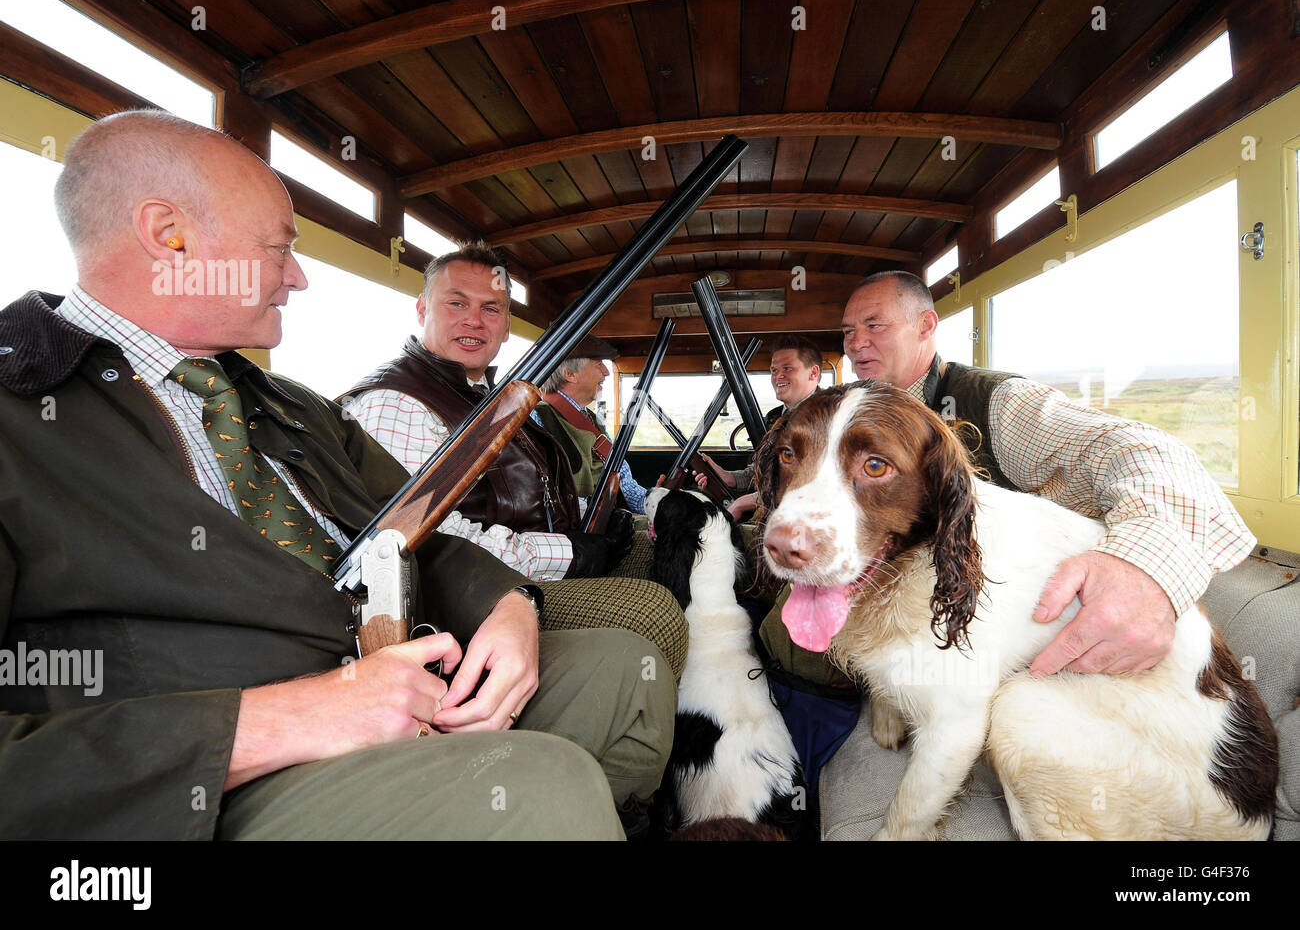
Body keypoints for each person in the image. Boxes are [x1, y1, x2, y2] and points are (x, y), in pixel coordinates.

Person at [0, 110, 674, 840]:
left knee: (625, 676)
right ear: (171, 236)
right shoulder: (19, 412)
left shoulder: (291, 405)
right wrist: (265, 725)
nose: (298, 277)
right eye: (278, 248)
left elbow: (412, 526)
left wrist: (509, 604)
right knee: (545, 788)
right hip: (205, 785)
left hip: (396, 680)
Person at [764, 268, 1254, 681]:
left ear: (926, 326)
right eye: (849, 332)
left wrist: (1148, 569)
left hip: (987, 625)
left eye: (875, 325)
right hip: (898, 614)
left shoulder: (998, 403)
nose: (857, 344)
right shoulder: (848, 407)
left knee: (793, 657)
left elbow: (1147, 450)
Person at [343, 243, 687, 678]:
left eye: (491, 309)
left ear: (506, 326)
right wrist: (570, 553)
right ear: (422, 309)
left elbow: (526, 493)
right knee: (653, 612)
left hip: (528, 567)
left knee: (660, 548)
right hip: (474, 597)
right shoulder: (396, 403)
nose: (474, 320)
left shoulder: (488, 398)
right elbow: (438, 543)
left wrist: (593, 516)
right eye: (457, 303)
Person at [694, 334, 825, 520]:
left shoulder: (828, 418)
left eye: (787, 368)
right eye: (773, 370)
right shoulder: (774, 418)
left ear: (813, 373)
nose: (778, 376)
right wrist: (728, 478)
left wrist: (746, 502)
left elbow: (814, 484)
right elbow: (762, 471)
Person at [534, 337, 648, 514]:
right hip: (572, 527)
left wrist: (658, 503)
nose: (606, 372)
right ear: (569, 374)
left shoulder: (591, 419)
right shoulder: (537, 417)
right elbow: (539, 490)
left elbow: (625, 483)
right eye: (598, 364)